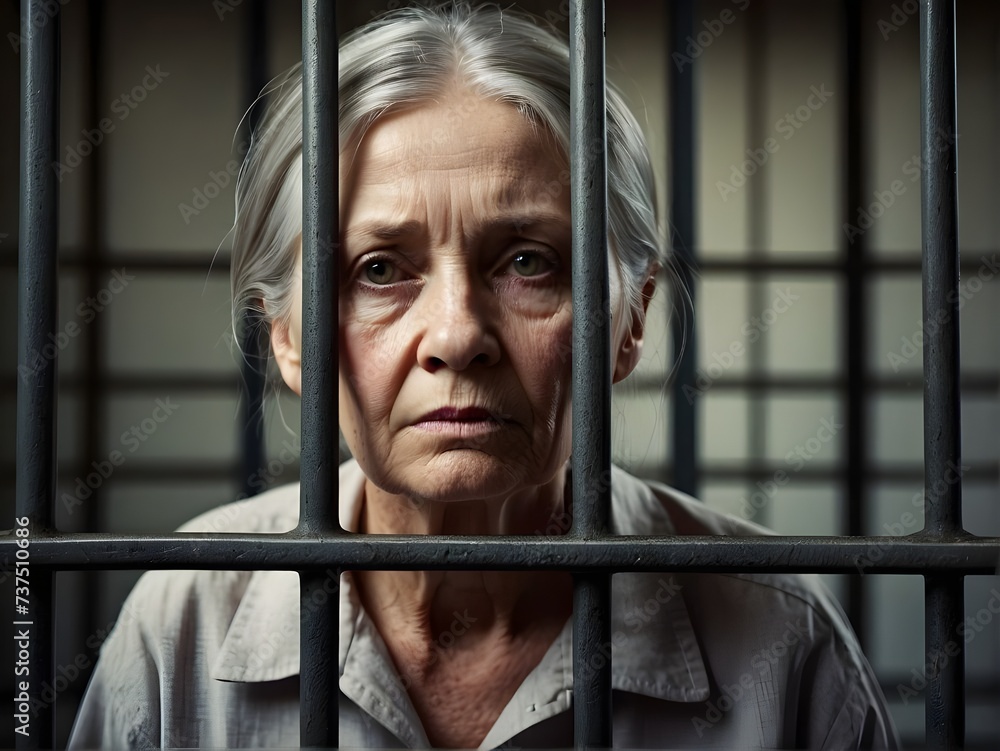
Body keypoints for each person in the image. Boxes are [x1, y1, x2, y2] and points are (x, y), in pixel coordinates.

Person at [68, 3, 899, 749]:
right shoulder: (183, 619)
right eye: (380, 269)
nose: (458, 334)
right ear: (286, 336)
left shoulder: (781, 638)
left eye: (529, 261)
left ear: (631, 321)